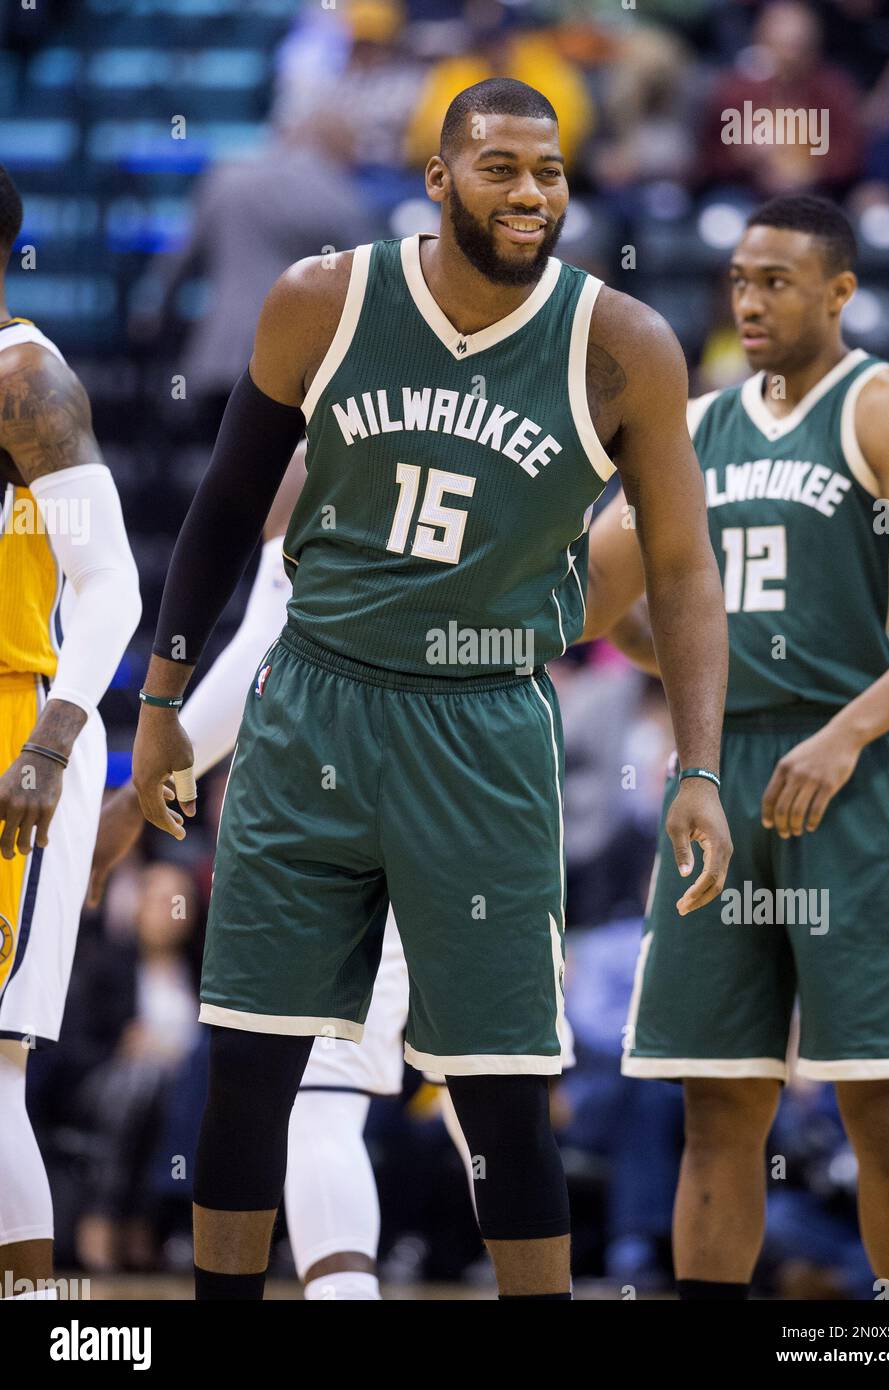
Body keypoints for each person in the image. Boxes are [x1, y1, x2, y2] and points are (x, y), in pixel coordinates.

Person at [131, 77, 730, 1302]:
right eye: (501, 166)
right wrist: (159, 706)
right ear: (438, 177)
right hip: (316, 706)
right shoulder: (324, 301)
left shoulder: (622, 344)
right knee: (249, 1066)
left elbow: (680, 571)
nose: (531, 192)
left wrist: (701, 766)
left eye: (550, 171)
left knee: (504, 1088)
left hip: (485, 724)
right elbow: (223, 511)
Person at [598, 194, 889, 1299]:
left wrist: (846, 735)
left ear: (840, 291)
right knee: (715, 1094)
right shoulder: (695, 424)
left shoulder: (885, 408)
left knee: (880, 1091)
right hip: (719, 774)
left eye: (777, 282)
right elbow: (606, 600)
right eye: (740, 281)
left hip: (853, 772)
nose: (749, 301)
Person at [0, 164, 141, 1299]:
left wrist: (48, 746)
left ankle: (43, 1319)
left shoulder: (27, 378)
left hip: (20, 729)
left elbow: (111, 587)